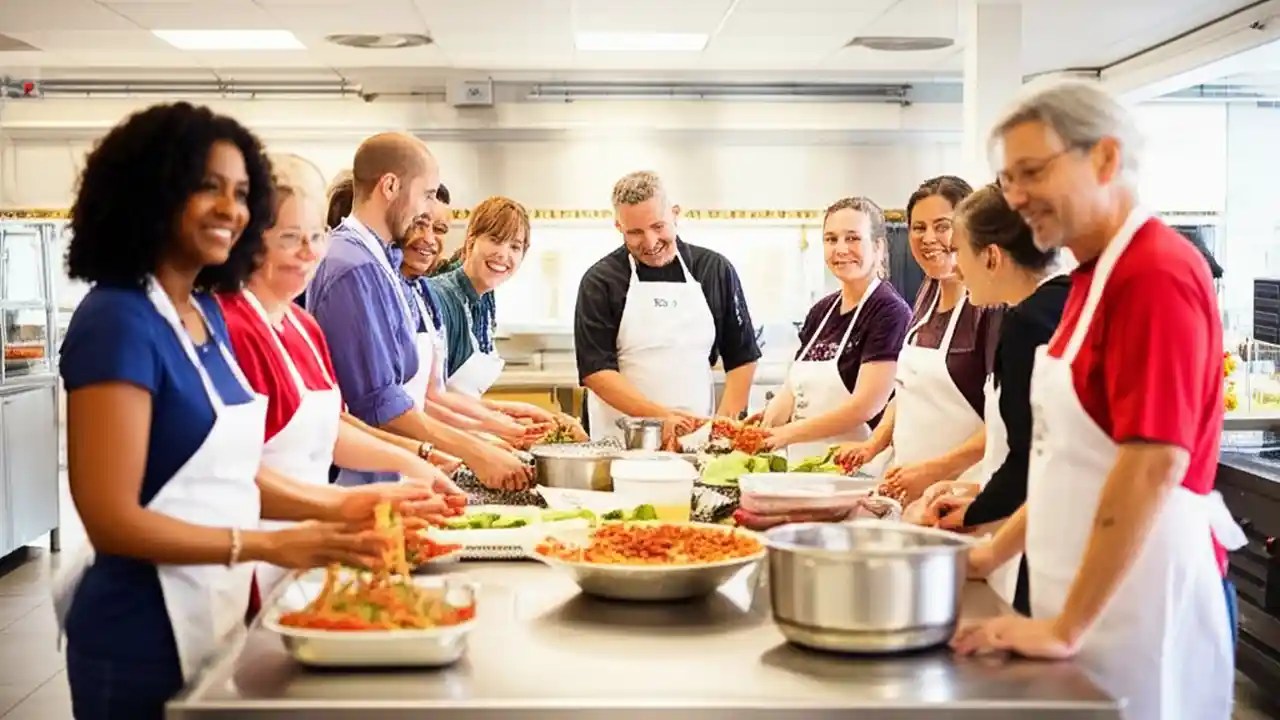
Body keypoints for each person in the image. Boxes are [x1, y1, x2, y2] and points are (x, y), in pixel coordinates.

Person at [53, 103, 402, 720]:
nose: (230, 209)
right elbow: (111, 520)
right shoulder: (115, 319)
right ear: (148, 192)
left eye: (241, 192)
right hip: (140, 631)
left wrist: (340, 505)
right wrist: (272, 545)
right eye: (206, 187)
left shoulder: (202, 315)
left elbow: (227, 474)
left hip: (216, 607)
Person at [950, 78, 1246, 720]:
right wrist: (991, 555)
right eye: (1007, 179)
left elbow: (1150, 464)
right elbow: (1068, 460)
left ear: (1106, 158)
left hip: (1141, 603)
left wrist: (1063, 628)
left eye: (1032, 172)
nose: (1017, 197)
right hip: (1085, 597)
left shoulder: (1154, 272)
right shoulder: (1092, 275)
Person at [217, 154, 465, 593]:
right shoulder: (232, 329)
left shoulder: (301, 326)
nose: (311, 252)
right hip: (253, 556)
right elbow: (228, 472)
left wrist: (415, 463)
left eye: (316, 235)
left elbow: (330, 428)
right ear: (248, 242)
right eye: (291, 237)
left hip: (314, 556)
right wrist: (350, 503)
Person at [306, 133, 530, 489]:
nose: (426, 212)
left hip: (396, 476)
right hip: (364, 484)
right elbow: (375, 405)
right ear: (390, 186)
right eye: (427, 195)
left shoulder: (379, 262)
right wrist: (474, 450)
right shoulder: (354, 266)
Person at [914, 183, 1069, 615]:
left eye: (959, 252)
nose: (956, 267)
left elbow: (1030, 457)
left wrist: (972, 509)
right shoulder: (1063, 302)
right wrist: (976, 493)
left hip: (1044, 546)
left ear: (992, 256)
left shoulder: (1027, 323)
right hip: (1037, 522)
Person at [324, 177, 560, 442]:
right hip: (404, 449)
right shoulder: (428, 293)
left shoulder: (429, 293)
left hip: (428, 448)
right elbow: (383, 406)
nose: (504, 255)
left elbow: (433, 397)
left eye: (515, 247)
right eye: (495, 240)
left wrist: (503, 421)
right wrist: (483, 439)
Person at [836, 176, 1001, 503]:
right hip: (907, 490)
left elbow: (1006, 420)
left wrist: (935, 470)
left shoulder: (990, 306)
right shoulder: (926, 294)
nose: (928, 238)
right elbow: (909, 389)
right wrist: (874, 444)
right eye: (918, 227)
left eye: (942, 226)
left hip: (962, 495)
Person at [575, 170, 762, 441]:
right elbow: (596, 371)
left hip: (696, 438)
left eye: (658, 226)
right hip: (622, 439)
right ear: (619, 228)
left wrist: (723, 428)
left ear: (675, 214)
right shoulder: (601, 281)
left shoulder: (713, 269)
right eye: (635, 232)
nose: (650, 242)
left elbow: (742, 357)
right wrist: (660, 419)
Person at [758, 197, 911, 462]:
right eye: (831, 239)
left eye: (852, 238)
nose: (840, 249)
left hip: (858, 470)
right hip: (804, 465)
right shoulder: (821, 311)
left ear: (878, 246)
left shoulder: (889, 311)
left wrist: (786, 434)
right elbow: (792, 390)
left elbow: (865, 406)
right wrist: (765, 426)